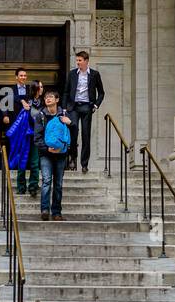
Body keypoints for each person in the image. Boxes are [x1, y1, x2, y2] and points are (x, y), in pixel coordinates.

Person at [63, 50, 105, 173]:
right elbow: (66, 91)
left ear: (86, 61)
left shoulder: (94, 74)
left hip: (87, 107)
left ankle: (84, 164)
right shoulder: (72, 74)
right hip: (73, 107)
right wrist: (65, 108)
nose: (78, 63)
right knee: (73, 131)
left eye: (80, 60)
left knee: (86, 136)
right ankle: (72, 159)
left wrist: (96, 105)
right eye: (77, 60)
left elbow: (101, 93)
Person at [34, 89, 72, 222]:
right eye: (46, 98)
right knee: (46, 181)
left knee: (58, 184)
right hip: (46, 154)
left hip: (61, 155)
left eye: (51, 97)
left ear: (57, 100)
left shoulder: (64, 115)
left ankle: (56, 212)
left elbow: (71, 135)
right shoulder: (40, 116)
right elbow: (37, 138)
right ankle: (45, 210)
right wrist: (47, 149)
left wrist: (70, 123)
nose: (48, 99)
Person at [7, 96, 38, 197]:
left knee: (34, 163)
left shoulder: (42, 105)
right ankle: (21, 186)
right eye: (40, 86)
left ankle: (33, 186)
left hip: (36, 137)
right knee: (22, 161)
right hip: (24, 136)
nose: (42, 89)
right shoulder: (26, 105)